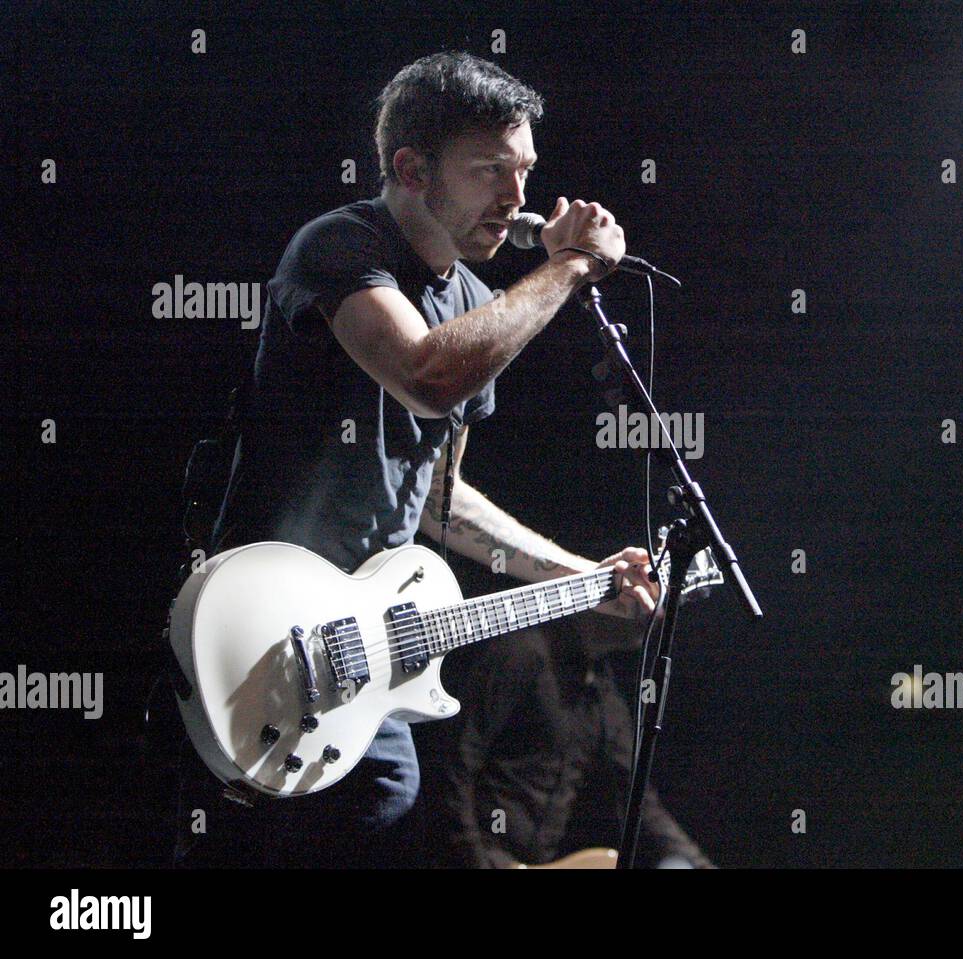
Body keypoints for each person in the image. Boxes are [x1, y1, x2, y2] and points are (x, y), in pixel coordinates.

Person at [173, 50, 659, 868]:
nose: (517, 200)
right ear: (411, 167)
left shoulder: (475, 300)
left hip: (365, 659)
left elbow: (445, 496)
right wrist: (568, 266)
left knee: (382, 813)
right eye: (490, 172)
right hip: (261, 642)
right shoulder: (339, 246)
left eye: (526, 172)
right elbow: (430, 376)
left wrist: (582, 576)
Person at [420, 610, 715, 869]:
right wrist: (475, 859)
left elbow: (639, 799)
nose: (659, 614)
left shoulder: (603, 691)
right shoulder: (523, 653)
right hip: (469, 855)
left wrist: (699, 864)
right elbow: (454, 762)